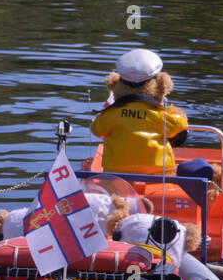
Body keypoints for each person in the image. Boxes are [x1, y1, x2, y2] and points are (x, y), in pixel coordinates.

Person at [89, 49, 214, 182]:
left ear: (115, 84)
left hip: (117, 177)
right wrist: (175, 113)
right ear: (161, 84)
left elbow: (96, 129)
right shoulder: (161, 116)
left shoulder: (111, 115)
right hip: (157, 177)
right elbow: (181, 125)